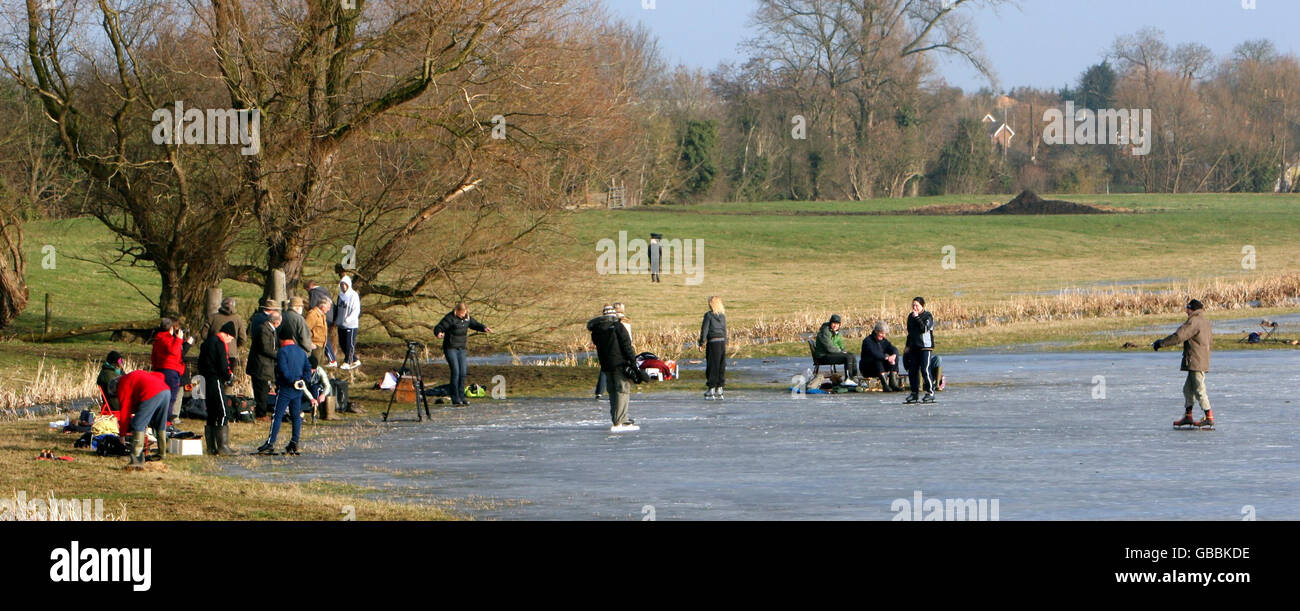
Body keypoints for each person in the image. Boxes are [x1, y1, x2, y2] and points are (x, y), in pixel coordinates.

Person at [257, 328, 318, 455]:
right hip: (298, 389)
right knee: (296, 416)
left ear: (281, 339)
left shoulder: (282, 352)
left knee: (277, 415)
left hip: (286, 388)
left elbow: (283, 370)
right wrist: (303, 381)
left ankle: (271, 442)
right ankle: (294, 442)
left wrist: (292, 381)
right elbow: (308, 368)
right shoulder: (302, 352)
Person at [1155, 299, 1214, 428]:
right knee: (1188, 389)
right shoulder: (1204, 321)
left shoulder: (1194, 321)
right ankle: (1188, 416)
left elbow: (1179, 336)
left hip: (1196, 361)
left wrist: (1161, 343)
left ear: (1192, 309)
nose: (1186, 312)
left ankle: (1209, 416)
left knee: (1199, 389)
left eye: (1188, 309)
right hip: (1199, 359)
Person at [433, 302, 493, 406]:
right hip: (450, 348)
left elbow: (475, 324)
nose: (462, 315)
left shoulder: (467, 318)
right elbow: (439, 327)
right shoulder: (450, 318)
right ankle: (455, 398)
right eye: (461, 313)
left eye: (464, 313)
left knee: (463, 373)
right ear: (456, 311)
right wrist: (438, 333)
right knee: (456, 372)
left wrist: (484, 328)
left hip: (461, 349)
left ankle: (462, 397)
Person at [589, 302, 637, 428]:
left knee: (612, 391)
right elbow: (626, 345)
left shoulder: (596, 331)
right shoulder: (618, 327)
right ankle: (620, 420)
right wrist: (633, 360)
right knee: (622, 390)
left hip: (605, 364)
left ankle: (617, 418)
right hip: (620, 363)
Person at [112, 369, 172, 466]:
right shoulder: (131, 377)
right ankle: (161, 453)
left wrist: (122, 434)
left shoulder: (122, 384)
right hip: (165, 390)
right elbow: (159, 374)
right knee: (160, 424)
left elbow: (125, 410)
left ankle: (136, 459)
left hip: (151, 392)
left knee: (137, 424)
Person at [199, 321, 239, 455]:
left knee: (211, 413)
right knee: (223, 412)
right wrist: (228, 376)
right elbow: (223, 364)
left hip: (204, 379)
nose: (230, 341)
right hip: (214, 379)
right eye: (231, 339)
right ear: (227, 334)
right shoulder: (219, 344)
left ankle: (211, 447)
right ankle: (223, 446)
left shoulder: (207, 342)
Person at [150, 318, 193, 424]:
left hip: (160, 369)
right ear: (171, 328)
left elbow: (154, 356)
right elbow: (175, 352)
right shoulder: (169, 338)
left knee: (161, 395)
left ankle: (160, 418)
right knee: (172, 397)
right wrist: (179, 339)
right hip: (171, 370)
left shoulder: (158, 338)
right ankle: (167, 420)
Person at [246, 310, 281, 420]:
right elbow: (265, 348)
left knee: (264, 389)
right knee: (261, 390)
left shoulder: (270, 330)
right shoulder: (263, 330)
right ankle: (261, 414)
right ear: (276, 322)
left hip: (265, 364)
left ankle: (261, 411)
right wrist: (278, 355)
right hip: (260, 365)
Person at [904, 297, 937, 404]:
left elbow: (924, 329)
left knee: (925, 370)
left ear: (922, 306)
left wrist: (917, 317)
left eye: (917, 305)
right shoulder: (910, 317)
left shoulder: (928, 316)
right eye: (913, 305)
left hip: (925, 348)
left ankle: (930, 392)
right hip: (914, 347)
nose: (914, 307)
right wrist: (907, 346)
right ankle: (914, 393)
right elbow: (910, 333)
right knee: (912, 370)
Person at [861, 321, 904, 392]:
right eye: (881, 333)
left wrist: (894, 355)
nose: (883, 335)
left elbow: (893, 348)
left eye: (884, 333)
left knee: (895, 358)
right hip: (868, 368)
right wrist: (886, 358)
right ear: (876, 332)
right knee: (878, 360)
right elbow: (874, 353)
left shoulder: (884, 341)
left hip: (881, 367)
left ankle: (893, 383)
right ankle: (885, 385)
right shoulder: (867, 341)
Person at [699, 296, 727, 400]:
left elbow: (705, 329)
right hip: (721, 342)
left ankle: (711, 388)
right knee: (721, 364)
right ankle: (719, 387)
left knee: (712, 365)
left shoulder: (708, 315)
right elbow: (724, 330)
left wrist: (701, 342)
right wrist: (725, 342)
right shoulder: (722, 316)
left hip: (713, 342)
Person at [814, 314, 858, 379]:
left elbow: (841, 345)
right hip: (823, 356)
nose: (835, 326)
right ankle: (848, 379)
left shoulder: (836, 332)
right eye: (834, 323)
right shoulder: (825, 332)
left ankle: (854, 378)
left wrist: (844, 350)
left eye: (837, 324)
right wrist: (841, 352)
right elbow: (830, 348)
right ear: (830, 323)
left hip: (830, 354)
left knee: (852, 355)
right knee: (847, 357)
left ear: (839, 325)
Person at [335, 276, 361, 369]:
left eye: (345, 285)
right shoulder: (340, 296)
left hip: (351, 325)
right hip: (341, 324)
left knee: (349, 344)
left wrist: (349, 319)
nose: (343, 287)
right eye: (342, 285)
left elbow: (356, 310)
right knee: (342, 343)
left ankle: (348, 361)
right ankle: (355, 360)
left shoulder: (353, 295)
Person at [593, 304, 616, 399]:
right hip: (613, 351)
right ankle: (614, 390)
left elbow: (595, 340)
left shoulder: (598, 327)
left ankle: (599, 391)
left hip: (602, 351)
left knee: (604, 370)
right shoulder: (614, 326)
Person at [305, 297, 331, 370]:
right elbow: (306, 330)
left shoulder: (322, 315)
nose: (329, 309)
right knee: (314, 367)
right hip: (315, 345)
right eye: (328, 307)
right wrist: (310, 342)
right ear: (323, 306)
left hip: (322, 345)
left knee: (319, 367)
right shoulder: (313, 315)